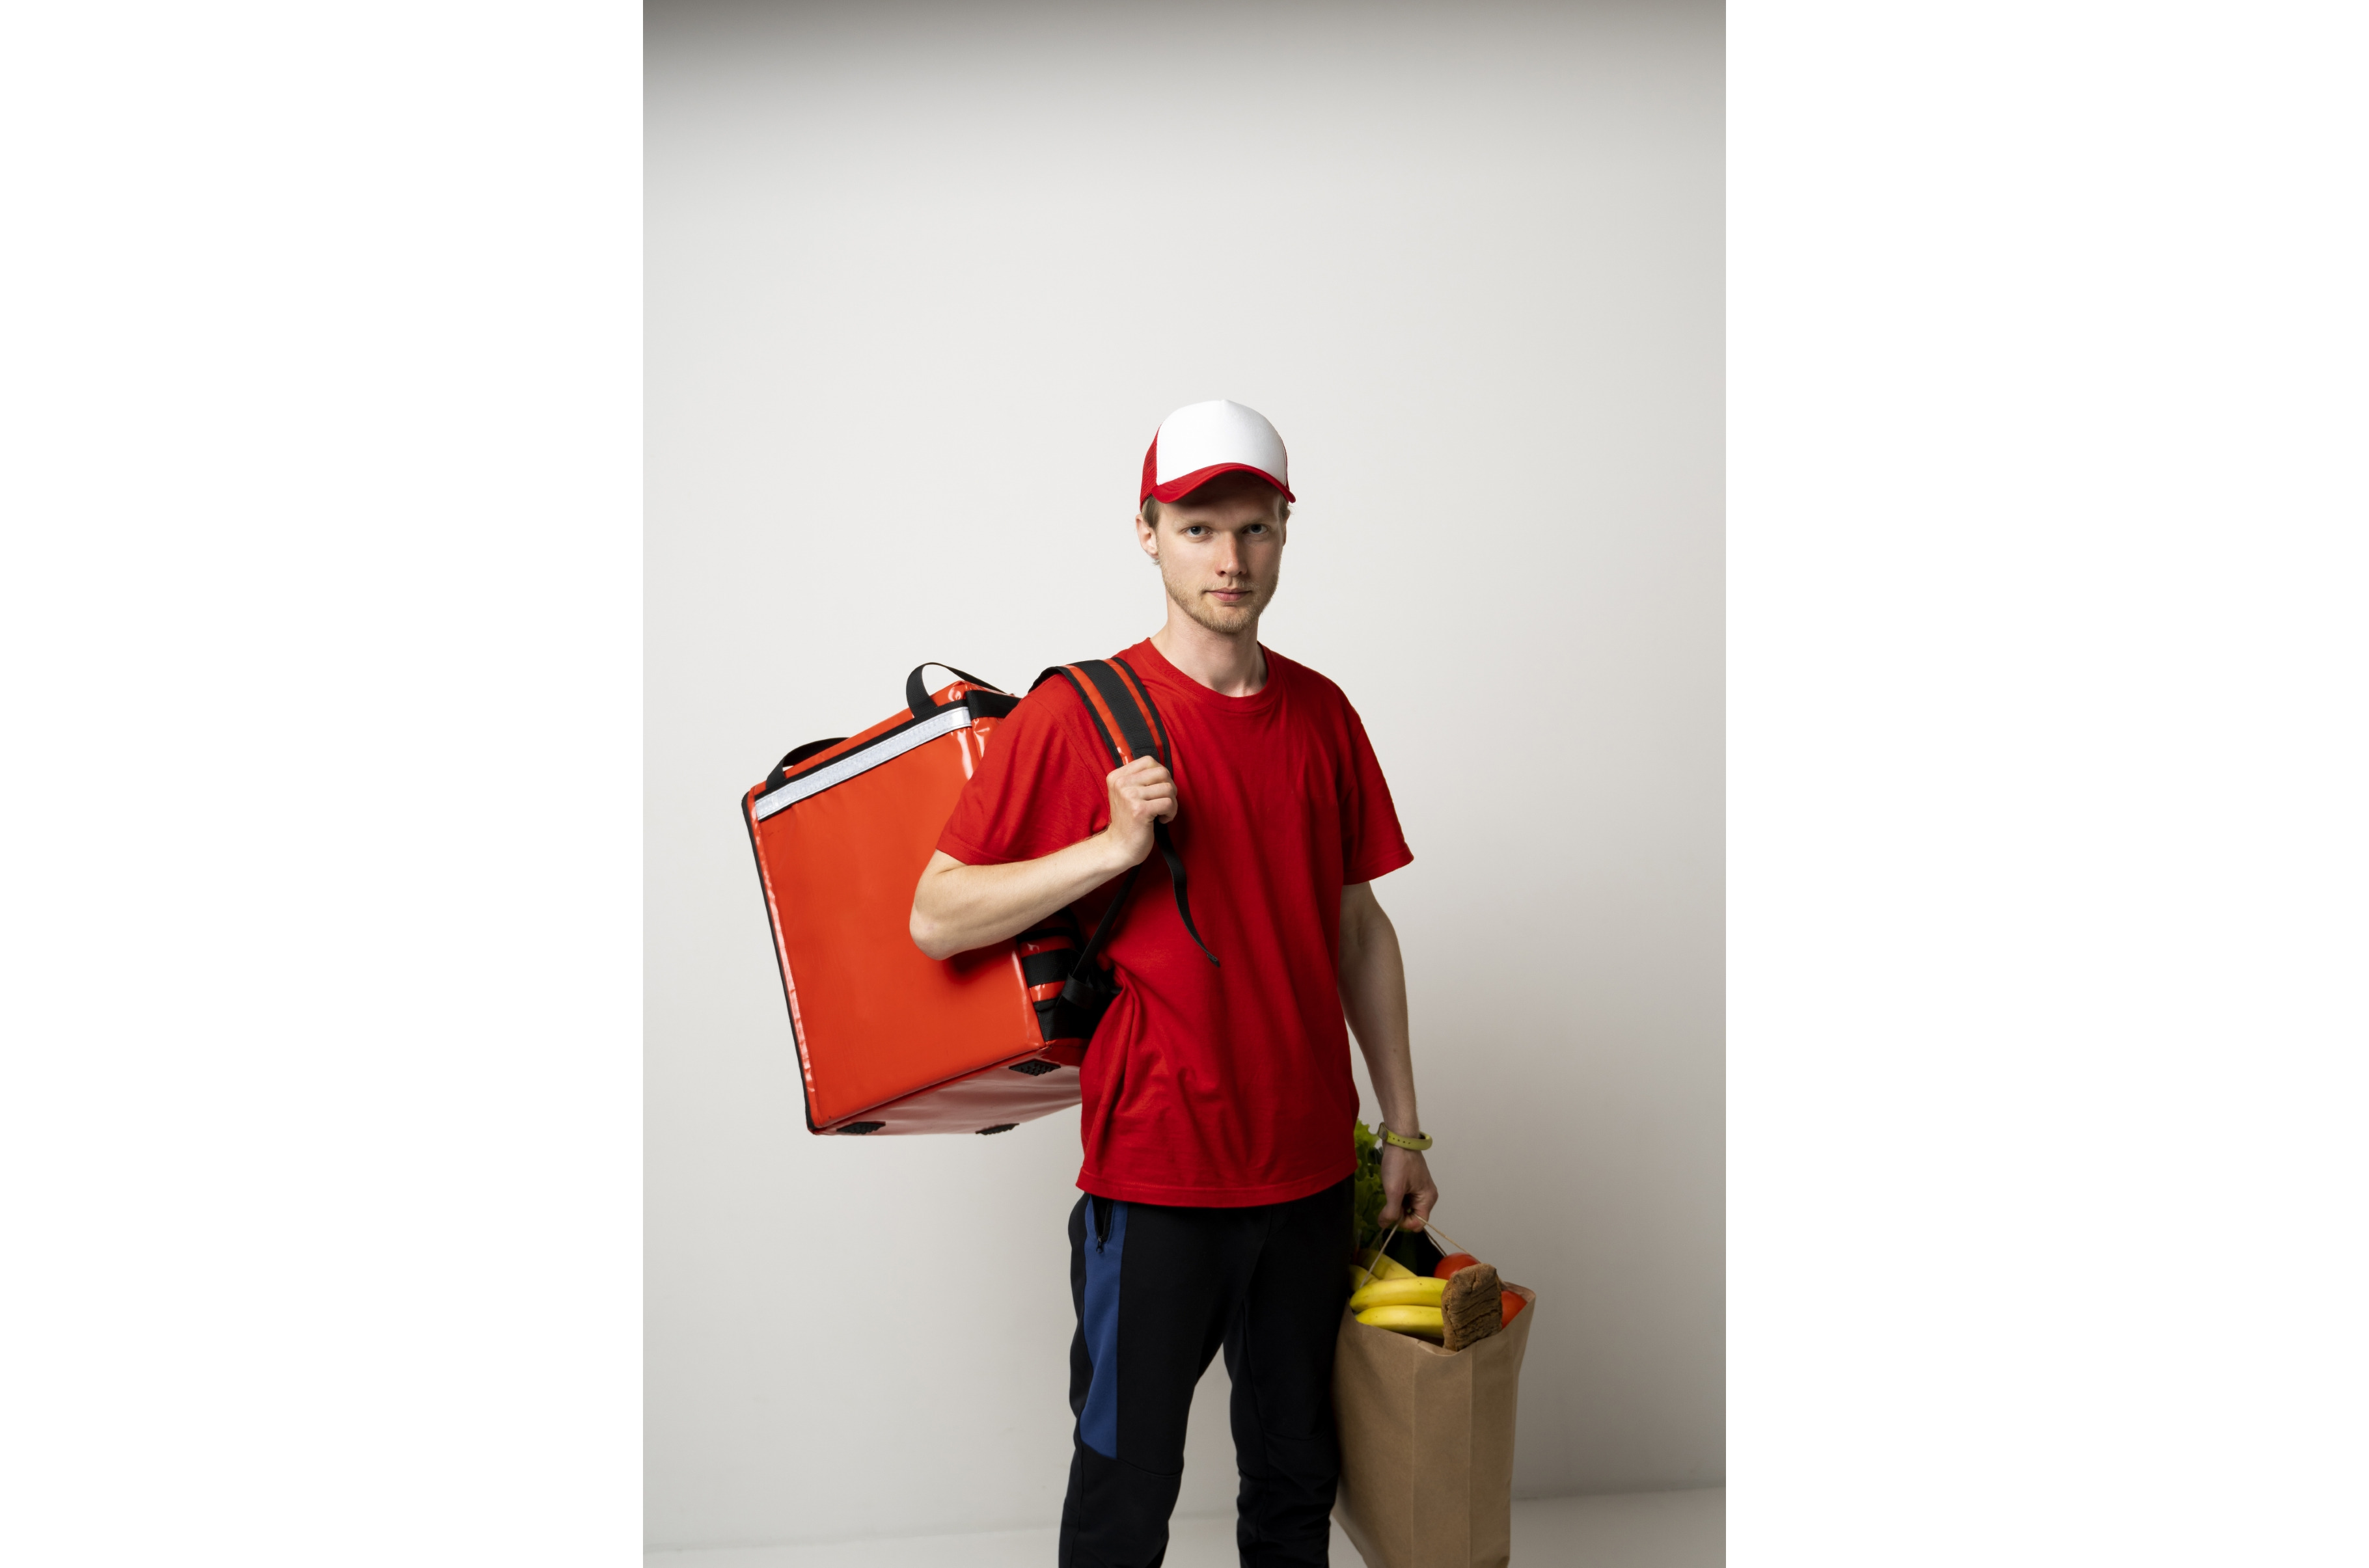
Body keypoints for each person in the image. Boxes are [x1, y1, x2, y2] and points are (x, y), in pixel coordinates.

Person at [909, 399, 1436, 1568]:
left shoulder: (1322, 711)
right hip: (1156, 1174)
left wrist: (1404, 1128)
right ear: (1147, 531)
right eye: (1199, 526)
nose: (1230, 559)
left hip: (1305, 1168)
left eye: (1254, 527)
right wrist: (1107, 851)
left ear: (1287, 534)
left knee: (1297, 1479)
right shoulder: (1075, 713)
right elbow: (934, 914)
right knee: (1123, 1490)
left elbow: (1360, 926)